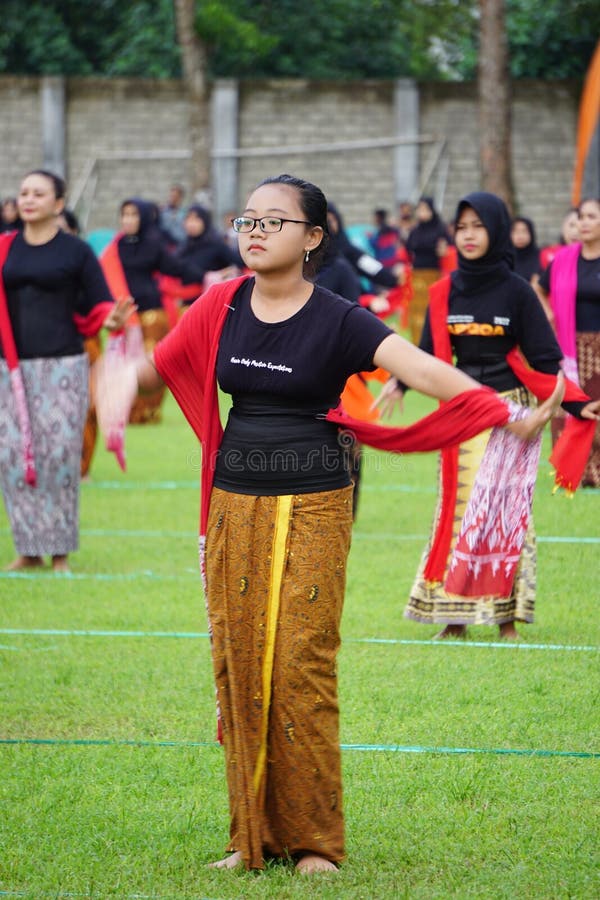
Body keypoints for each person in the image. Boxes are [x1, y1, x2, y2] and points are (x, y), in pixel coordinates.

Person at [96, 175, 562, 873]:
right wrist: (114, 376)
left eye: (273, 221)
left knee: (301, 664)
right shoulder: (219, 304)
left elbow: (422, 369)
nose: (255, 231)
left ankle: (315, 842)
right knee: (239, 663)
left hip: (315, 499)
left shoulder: (341, 318)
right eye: (248, 220)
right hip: (233, 501)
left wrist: (501, 411)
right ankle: (250, 839)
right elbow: (155, 372)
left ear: (313, 237)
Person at [377, 191, 599, 640]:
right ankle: (454, 618)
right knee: (459, 508)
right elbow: (425, 355)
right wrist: (399, 381)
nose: (469, 235)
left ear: (496, 231)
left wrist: (578, 403)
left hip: (511, 415)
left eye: (478, 226)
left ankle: (505, 618)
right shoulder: (443, 292)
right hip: (461, 412)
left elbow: (545, 359)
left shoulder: (517, 292)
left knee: (505, 511)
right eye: (461, 227)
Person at [0, 170, 131, 572]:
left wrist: (110, 319)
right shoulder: (5, 248)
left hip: (64, 366)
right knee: (12, 457)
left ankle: (58, 552)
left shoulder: (76, 252)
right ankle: (28, 549)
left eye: (38, 193)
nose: (28, 199)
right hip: (11, 369)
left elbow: (100, 302)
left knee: (58, 457)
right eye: (24, 192)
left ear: (58, 203)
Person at [100, 197, 194, 423]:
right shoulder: (115, 249)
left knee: (152, 365)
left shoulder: (153, 245)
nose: (128, 220)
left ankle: (150, 412)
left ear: (142, 218)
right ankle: (130, 411)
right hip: (126, 317)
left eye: (133, 215)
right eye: (125, 215)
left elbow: (177, 268)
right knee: (126, 365)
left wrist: (208, 276)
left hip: (153, 315)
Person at [537, 197, 600, 486]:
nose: (583, 223)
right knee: (569, 407)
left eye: (591, 217)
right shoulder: (563, 260)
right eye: (581, 217)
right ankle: (570, 472)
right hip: (569, 348)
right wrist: (549, 313)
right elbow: (539, 288)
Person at [405, 197, 453, 343]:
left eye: (425, 209)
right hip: (417, 276)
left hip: (434, 276)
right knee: (416, 312)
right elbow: (408, 248)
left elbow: (449, 249)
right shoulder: (415, 230)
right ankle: (417, 343)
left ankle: (433, 343)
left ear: (432, 211)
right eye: (419, 209)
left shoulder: (440, 229)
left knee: (432, 310)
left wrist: (443, 250)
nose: (422, 213)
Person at [510, 216, 542, 284]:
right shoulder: (505, 258)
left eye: (524, 231)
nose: (520, 236)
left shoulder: (541, 256)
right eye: (516, 232)